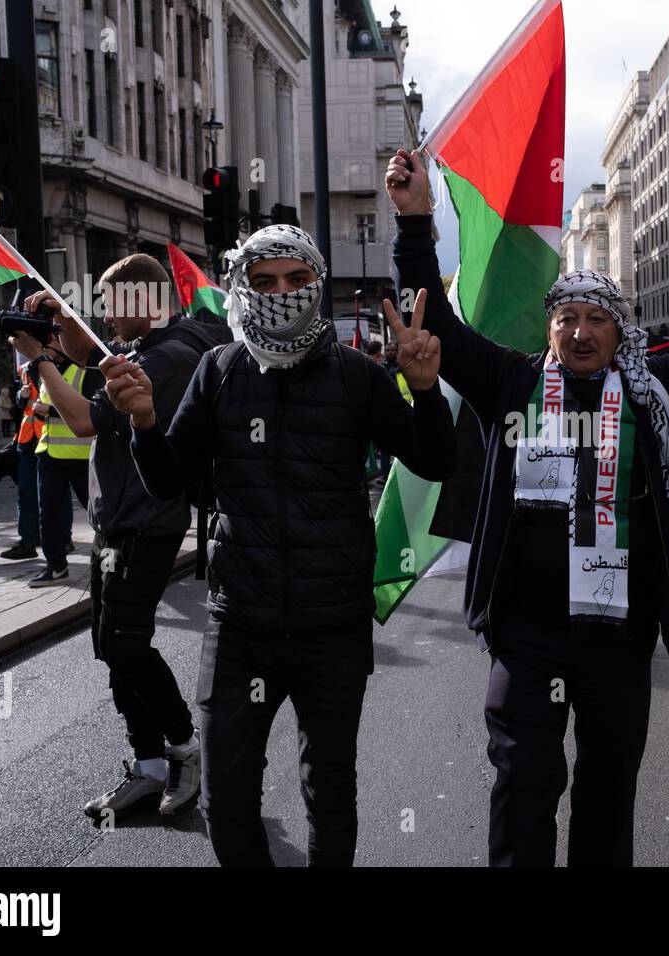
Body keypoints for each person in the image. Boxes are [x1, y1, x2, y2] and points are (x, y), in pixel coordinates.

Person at [385, 147, 669, 867]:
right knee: (524, 782)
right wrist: (415, 220)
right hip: (526, 635)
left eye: (596, 319)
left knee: (608, 795)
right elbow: (436, 319)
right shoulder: (510, 384)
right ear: (549, 330)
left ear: (620, 332)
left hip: (618, 635)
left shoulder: (658, 391)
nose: (581, 332)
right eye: (567, 319)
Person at [101, 224, 457, 867]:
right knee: (226, 802)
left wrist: (425, 389)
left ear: (317, 285)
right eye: (263, 283)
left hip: (334, 626)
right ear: (242, 289)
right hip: (240, 625)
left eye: (296, 280)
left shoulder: (358, 376)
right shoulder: (219, 370)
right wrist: (145, 425)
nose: (280, 294)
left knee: (329, 790)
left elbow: (435, 460)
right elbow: (169, 479)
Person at [17, 253, 231, 822]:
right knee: (111, 647)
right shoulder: (148, 346)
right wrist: (59, 324)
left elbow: (84, 420)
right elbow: (95, 353)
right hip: (116, 519)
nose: (105, 317)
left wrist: (40, 360)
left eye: (112, 306)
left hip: (148, 522)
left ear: (145, 303)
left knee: (124, 645)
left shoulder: (173, 356)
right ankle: (148, 766)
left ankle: (184, 750)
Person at [18, 329, 101, 587]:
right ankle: (56, 566)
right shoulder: (43, 368)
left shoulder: (87, 369)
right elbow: (35, 405)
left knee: (98, 513)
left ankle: (111, 559)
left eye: (53, 338)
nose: (49, 342)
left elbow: (91, 409)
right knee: (48, 515)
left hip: (80, 454)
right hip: (49, 453)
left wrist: (50, 410)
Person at [0, 353, 72, 561]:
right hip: (27, 439)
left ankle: (65, 538)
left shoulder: (57, 365)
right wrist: (20, 398)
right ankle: (27, 542)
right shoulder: (25, 369)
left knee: (58, 493)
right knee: (25, 493)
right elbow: (20, 408)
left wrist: (48, 410)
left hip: (50, 437)